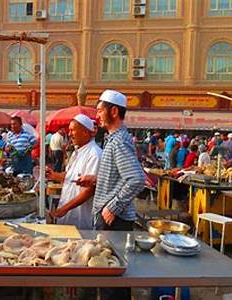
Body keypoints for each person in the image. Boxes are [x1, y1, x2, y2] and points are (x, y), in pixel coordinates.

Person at [78, 90, 144, 300]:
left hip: (115, 221)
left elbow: (136, 179)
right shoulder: (114, 139)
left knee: (111, 284)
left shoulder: (119, 141)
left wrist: (112, 206)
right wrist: (96, 180)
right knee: (113, 280)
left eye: (100, 110)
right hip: (111, 219)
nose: (97, 115)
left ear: (114, 111)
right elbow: (121, 178)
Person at [46, 114, 102, 230]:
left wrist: (64, 209)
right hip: (68, 210)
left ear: (85, 132)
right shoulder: (77, 151)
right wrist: (54, 175)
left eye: (72, 130)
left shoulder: (95, 154)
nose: (70, 134)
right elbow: (70, 175)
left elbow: (89, 190)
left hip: (80, 215)